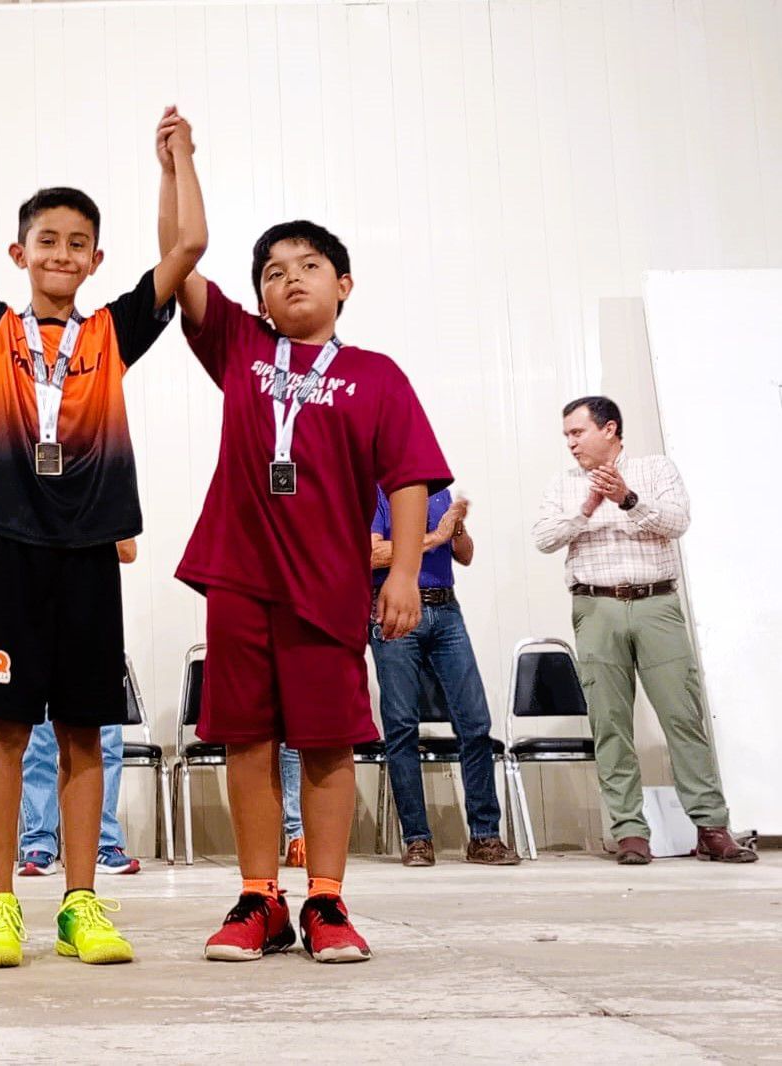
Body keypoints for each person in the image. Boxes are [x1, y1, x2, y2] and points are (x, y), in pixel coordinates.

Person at [0, 73, 206, 967]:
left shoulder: (112, 333)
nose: (62, 253)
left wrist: (176, 160)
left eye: (79, 244)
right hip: (6, 549)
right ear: (19, 251)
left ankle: (81, 902)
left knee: (84, 729)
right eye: (48, 240)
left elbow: (190, 240)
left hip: (85, 554)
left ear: (94, 261)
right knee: (3, 730)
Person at [161, 111, 451, 964]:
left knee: (327, 740)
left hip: (328, 583)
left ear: (343, 284)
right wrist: (180, 163)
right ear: (257, 298)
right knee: (245, 738)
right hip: (240, 576)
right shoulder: (242, 348)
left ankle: (326, 900)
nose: (291, 280)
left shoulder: (374, 374)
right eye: (274, 272)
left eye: (309, 267)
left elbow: (410, 479)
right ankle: (260, 897)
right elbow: (182, 257)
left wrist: (401, 572)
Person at [532, 396, 756, 865]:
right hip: (596, 606)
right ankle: (630, 832)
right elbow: (545, 537)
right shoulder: (565, 484)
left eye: (578, 432)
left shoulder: (656, 469)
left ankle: (712, 826)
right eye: (567, 436)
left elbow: (677, 522)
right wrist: (589, 507)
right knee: (610, 724)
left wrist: (627, 499)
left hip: (656, 603)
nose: (570, 443)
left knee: (682, 716)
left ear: (609, 428)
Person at [368, 488, 519, 866]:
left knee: (475, 722)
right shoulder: (375, 493)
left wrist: (456, 530)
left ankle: (484, 837)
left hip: (447, 610)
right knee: (402, 725)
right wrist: (436, 536)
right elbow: (372, 555)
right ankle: (417, 839)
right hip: (397, 609)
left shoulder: (438, 493)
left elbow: (464, 555)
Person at [17, 540, 143, 878]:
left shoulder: (105, 488)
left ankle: (103, 841)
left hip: (92, 614)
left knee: (104, 742)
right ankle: (39, 843)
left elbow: (128, 550)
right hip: (38, 612)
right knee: (38, 744)